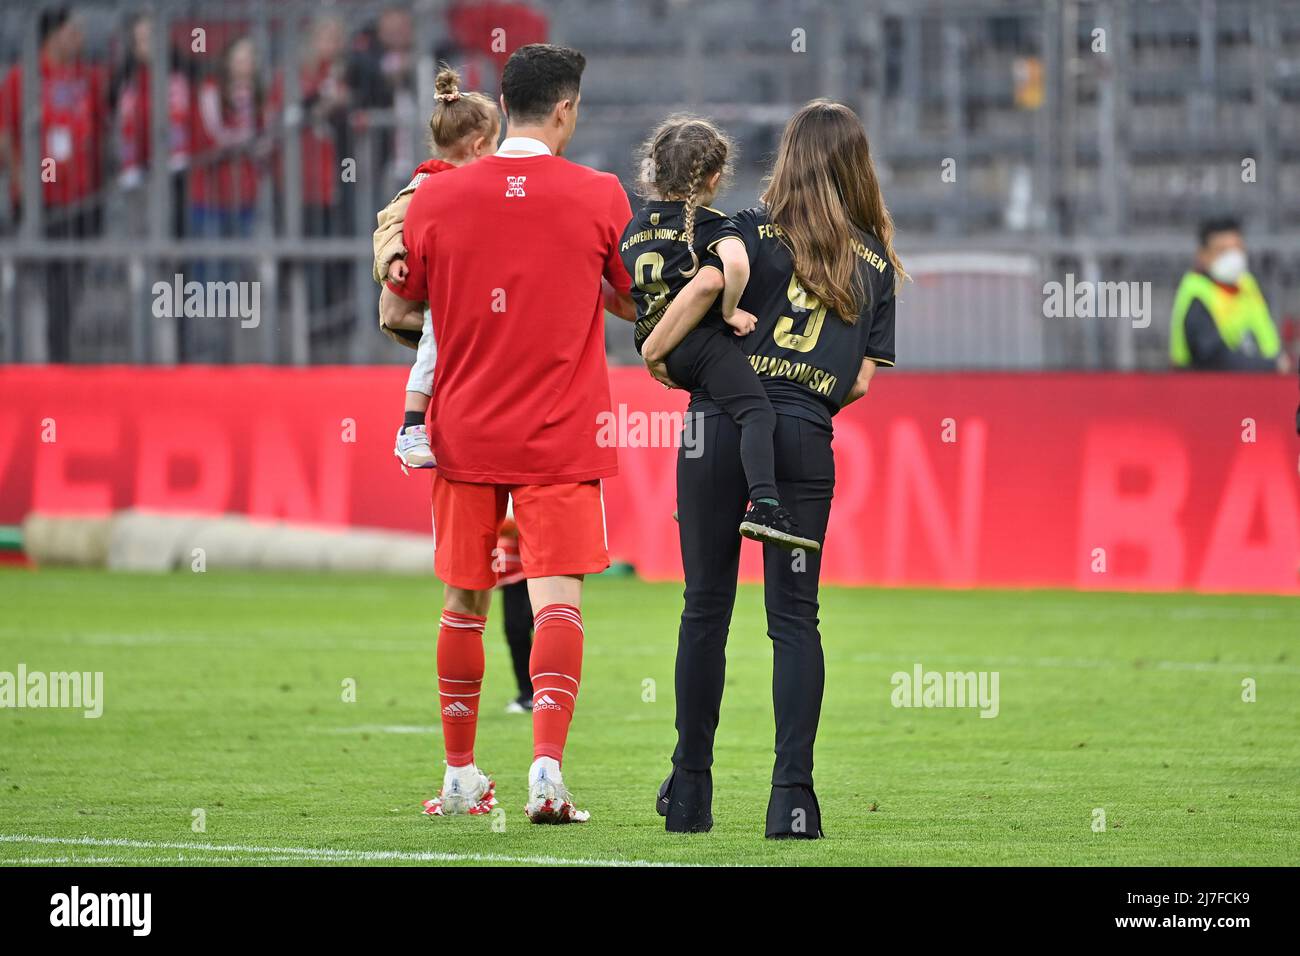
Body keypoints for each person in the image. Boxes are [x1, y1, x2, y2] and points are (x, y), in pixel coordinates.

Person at [381, 43, 635, 823]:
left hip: (463, 431)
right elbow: (631, 300)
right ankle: (547, 776)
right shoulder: (600, 195)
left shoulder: (437, 198)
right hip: (559, 432)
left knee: (464, 602)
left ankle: (459, 777)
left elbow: (404, 299)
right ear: (566, 108)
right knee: (557, 597)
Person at [644, 100, 902, 838]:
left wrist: (657, 356)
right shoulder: (877, 262)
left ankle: (690, 790)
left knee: (705, 609)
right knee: (795, 621)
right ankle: (792, 800)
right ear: (858, 166)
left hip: (717, 425)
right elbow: (857, 383)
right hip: (802, 436)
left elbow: (697, 300)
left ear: (786, 158)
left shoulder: (744, 230)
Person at [369, 66, 533, 715]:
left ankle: (487, 731)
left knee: (489, 573)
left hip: (474, 341)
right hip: (458, 324)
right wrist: (393, 260)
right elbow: (392, 223)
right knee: (493, 571)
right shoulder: (436, 187)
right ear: (475, 144)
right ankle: (413, 428)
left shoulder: (470, 186)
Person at [622, 116, 818, 552]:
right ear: (714, 177)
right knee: (757, 413)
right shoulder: (711, 225)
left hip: (661, 345)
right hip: (699, 343)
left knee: (720, 413)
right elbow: (732, 268)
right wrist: (731, 311)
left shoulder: (633, 229)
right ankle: (765, 504)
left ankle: (695, 499)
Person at [1170, 217, 1289, 373]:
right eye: (1222, 250)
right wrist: (1271, 366)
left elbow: (1268, 341)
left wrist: (1278, 361)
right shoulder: (1196, 293)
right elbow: (1213, 359)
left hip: (1260, 386)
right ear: (1202, 255)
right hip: (1207, 391)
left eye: (1237, 248)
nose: (1232, 257)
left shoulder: (1247, 285)